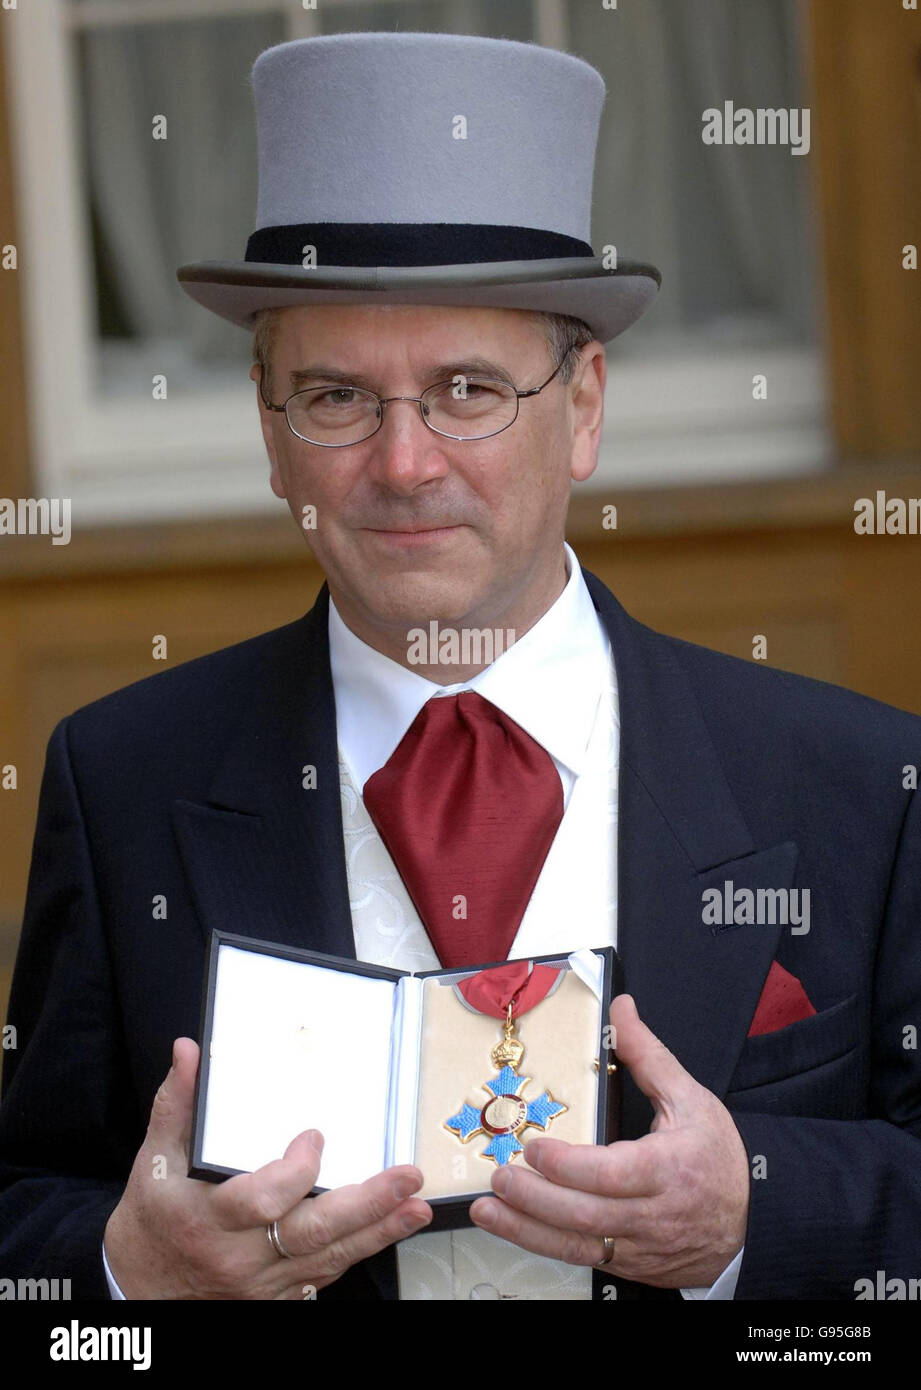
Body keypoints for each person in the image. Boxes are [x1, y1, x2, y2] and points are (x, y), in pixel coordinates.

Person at [1, 31, 919, 1303]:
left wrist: (753, 1214)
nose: (404, 463)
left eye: (469, 389)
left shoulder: (861, 782)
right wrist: (129, 1271)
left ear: (584, 406)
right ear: (270, 427)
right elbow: (27, 1225)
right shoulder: (120, 781)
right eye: (336, 398)